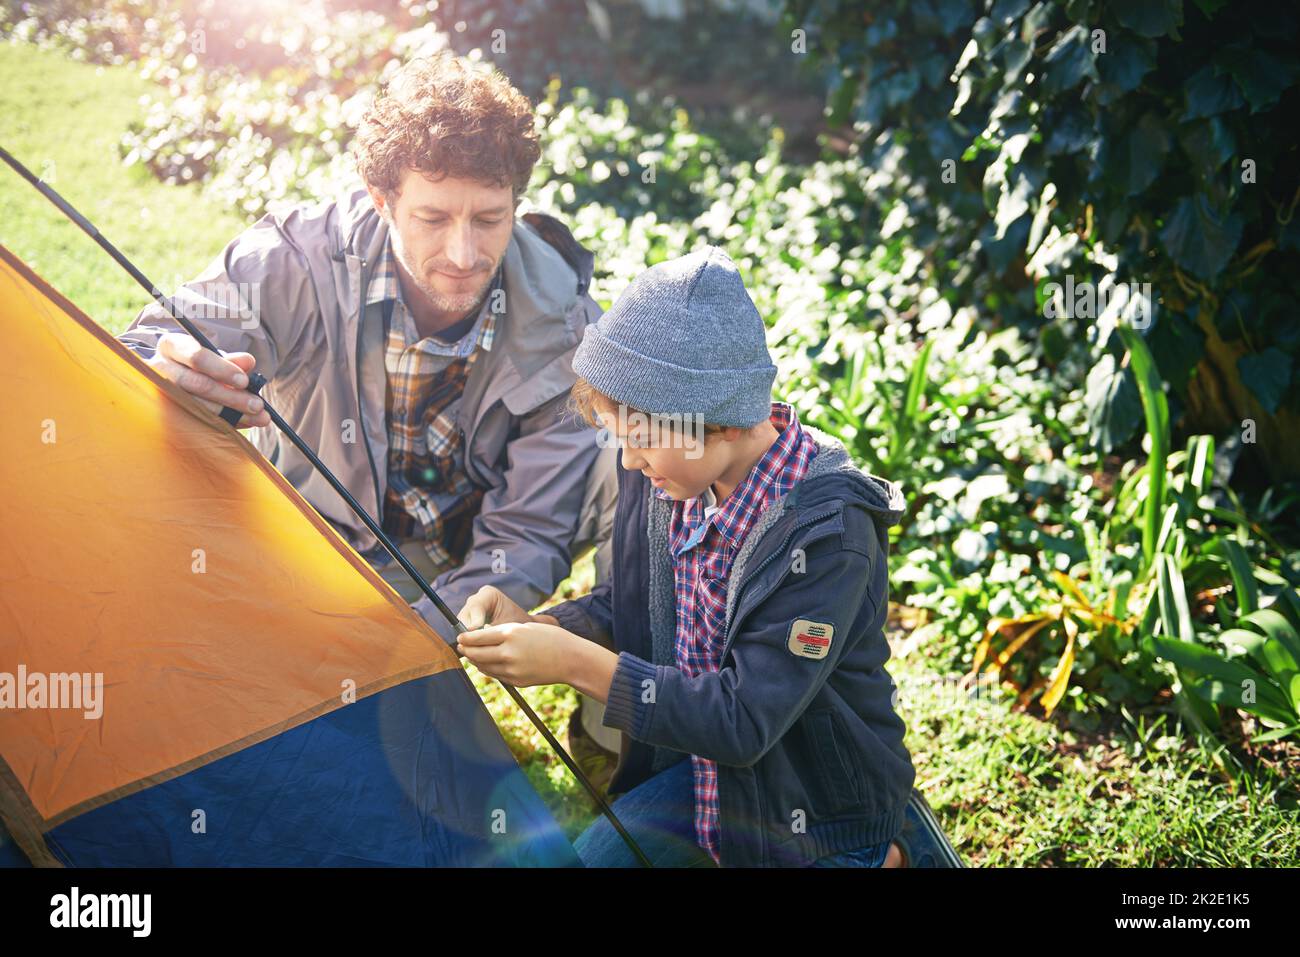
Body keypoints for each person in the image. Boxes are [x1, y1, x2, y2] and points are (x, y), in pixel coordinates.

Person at [117, 54, 616, 645]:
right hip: (311, 538)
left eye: (489, 219)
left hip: (458, 569)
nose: (463, 253)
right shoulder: (295, 257)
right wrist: (154, 370)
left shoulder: (564, 322)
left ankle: (628, 708)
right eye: (432, 217)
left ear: (515, 205)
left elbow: (528, 530)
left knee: (639, 447)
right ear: (382, 202)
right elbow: (152, 345)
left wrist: (422, 648)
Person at [455, 246, 915, 867]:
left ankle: (885, 854)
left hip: (809, 811)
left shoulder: (826, 534)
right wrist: (543, 626)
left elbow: (743, 720)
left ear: (722, 424)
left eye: (640, 440)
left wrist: (572, 663)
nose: (627, 461)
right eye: (619, 439)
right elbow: (628, 606)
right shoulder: (666, 477)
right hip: (708, 790)